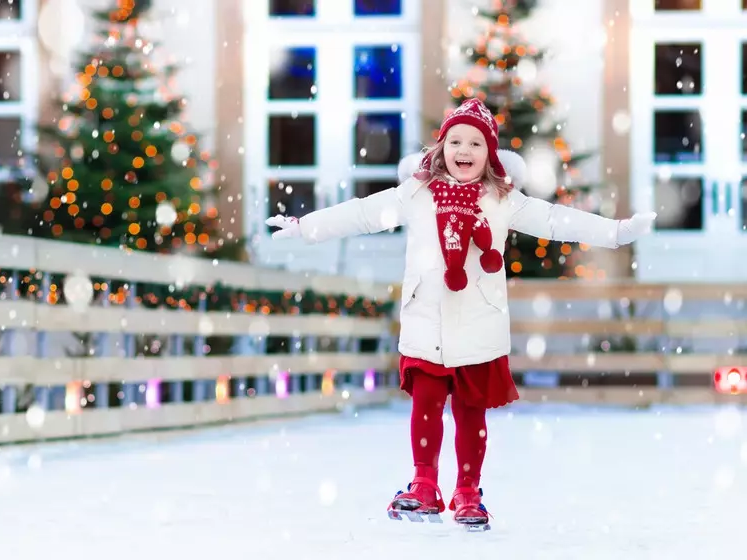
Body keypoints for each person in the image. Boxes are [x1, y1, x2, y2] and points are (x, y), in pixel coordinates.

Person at [265, 98, 656, 526]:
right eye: (455, 141)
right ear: (440, 148)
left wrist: (616, 233)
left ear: (490, 154)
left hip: (478, 323)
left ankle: (468, 491)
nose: (463, 150)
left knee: (471, 413)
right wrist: (306, 229)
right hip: (425, 320)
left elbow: (556, 221)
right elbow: (361, 214)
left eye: (475, 142)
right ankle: (425, 484)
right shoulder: (415, 193)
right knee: (427, 407)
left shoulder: (503, 200)